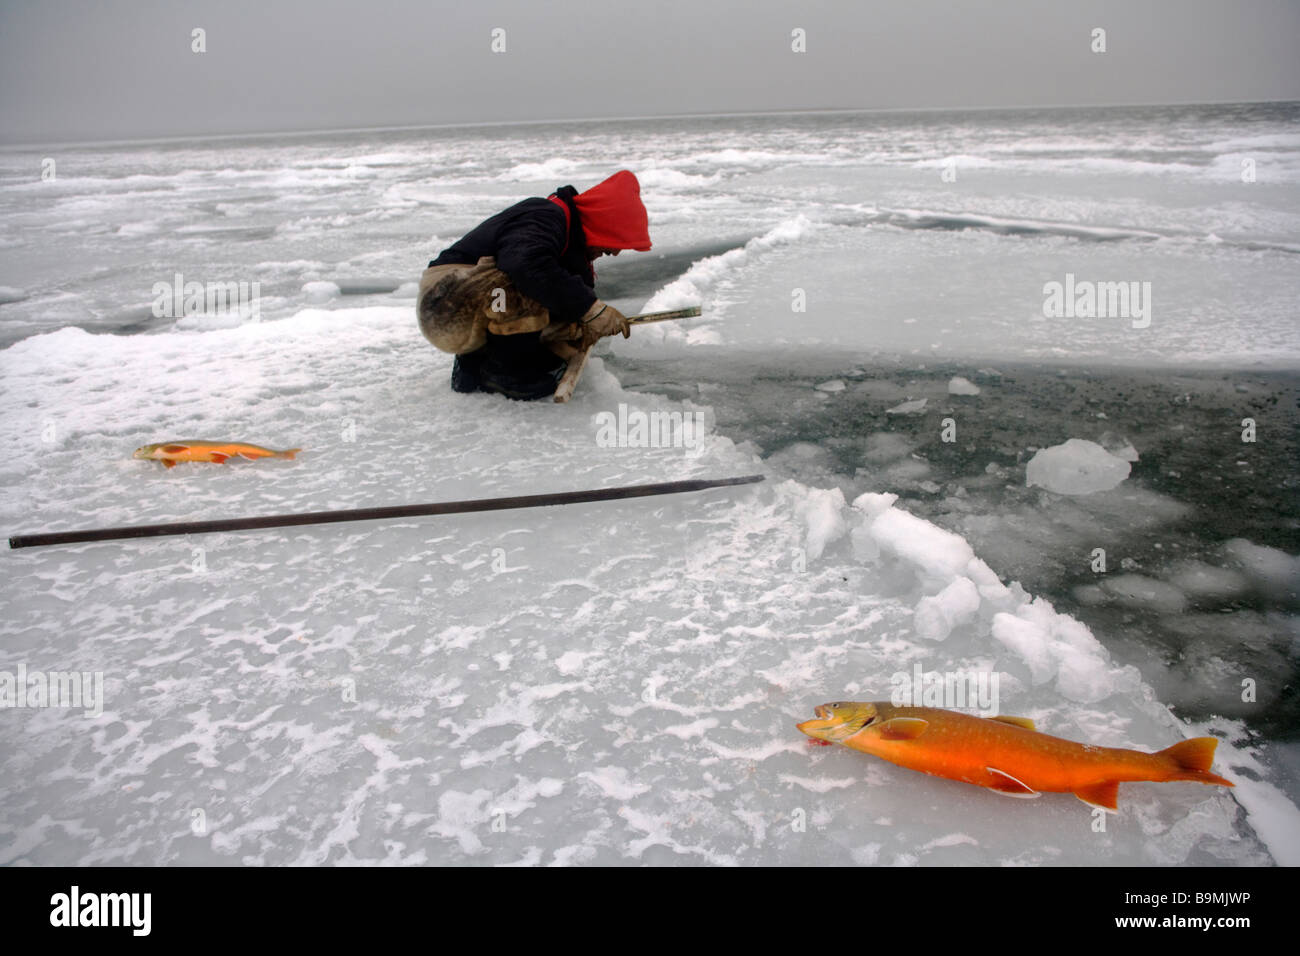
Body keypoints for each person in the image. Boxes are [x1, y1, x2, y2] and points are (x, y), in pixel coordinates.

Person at [417, 169, 652, 400]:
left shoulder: (566, 241)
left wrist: (578, 325)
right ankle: (503, 374)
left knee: (564, 317)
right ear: (603, 224)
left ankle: (475, 364)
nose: (615, 252)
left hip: (468, 309)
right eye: (617, 241)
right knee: (527, 279)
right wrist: (590, 309)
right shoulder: (545, 216)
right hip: (444, 304)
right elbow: (523, 264)